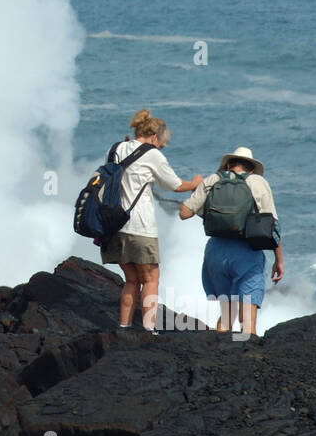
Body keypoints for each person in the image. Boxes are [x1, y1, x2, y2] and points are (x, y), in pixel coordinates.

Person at [100, 108, 202, 330]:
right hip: (140, 227)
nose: (161, 148)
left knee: (131, 280)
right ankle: (149, 329)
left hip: (114, 226)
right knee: (151, 278)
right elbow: (174, 185)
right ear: (155, 137)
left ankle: (124, 326)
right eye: (162, 144)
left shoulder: (116, 148)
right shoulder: (152, 154)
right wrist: (195, 183)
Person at [178, 146, 283, 337]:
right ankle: (245, 359)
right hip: (247, 254)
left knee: (227, 315)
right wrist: (279, 261)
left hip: (215, 254)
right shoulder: (258, 182)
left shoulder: (213, 180)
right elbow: (273, 226)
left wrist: (215, 216)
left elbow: (184, 213)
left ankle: (218, 353)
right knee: (247, 324)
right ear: (251, 169)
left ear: (228, 165)